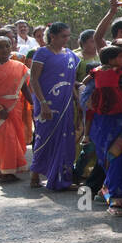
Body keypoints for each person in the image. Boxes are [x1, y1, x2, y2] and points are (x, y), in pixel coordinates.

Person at [86, 45, 122, 215]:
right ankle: (115, 201)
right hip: (105, 123)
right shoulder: (102, 73)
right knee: (112, 159)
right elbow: (88, 101)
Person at [28, 22, 80, 190]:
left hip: (65, 104)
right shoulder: (42, 53)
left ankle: (61, 177)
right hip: (47, 102)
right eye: (64, 36)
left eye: (68, 35)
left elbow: (71, 81)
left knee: (65, 139)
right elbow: (34, 79)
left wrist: (78, 99)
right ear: (53, 36)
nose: (67, 39)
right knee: (44, 136)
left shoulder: (71, 55)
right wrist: (42, 103)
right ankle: (35, 173)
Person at [0, 36, 31, 182]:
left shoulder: (19, 66)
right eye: (0, 47)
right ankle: (6, 171)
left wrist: (35, 103)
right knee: (5, 137)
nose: (4, 49)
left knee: (15, 137)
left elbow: (24, 88)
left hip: (15, 106)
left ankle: (6, 168)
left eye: (7, 46)